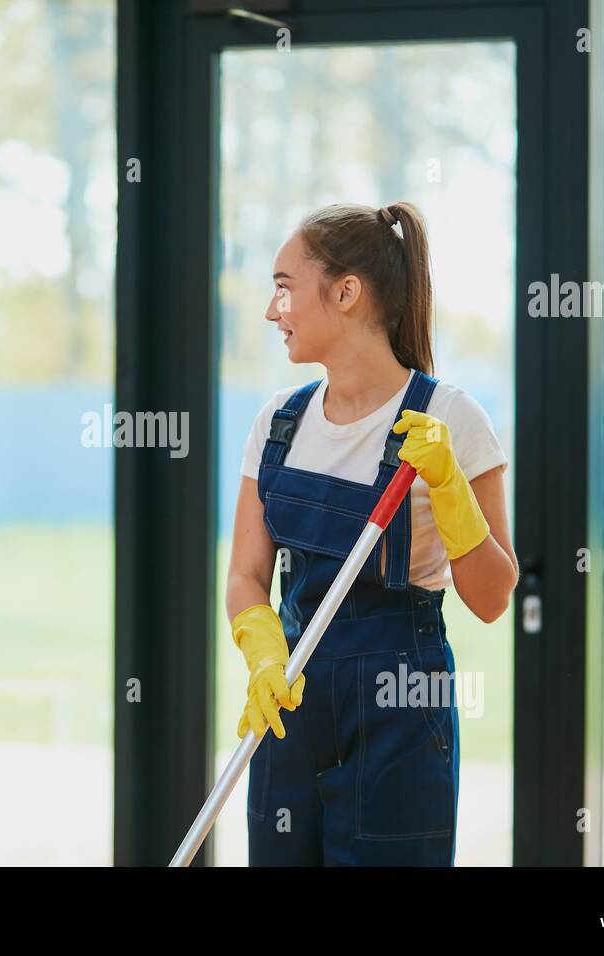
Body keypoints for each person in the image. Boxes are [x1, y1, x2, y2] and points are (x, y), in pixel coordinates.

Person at [227, 201, 518, 865]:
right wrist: (263, 649)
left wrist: (448, 489)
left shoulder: (451, 420)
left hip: (401, 717)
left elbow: (494, 596)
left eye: (283, 288)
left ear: (347, 292)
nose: (273, 311)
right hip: (290, 707)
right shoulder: (279, 423)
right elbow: (245, 576)